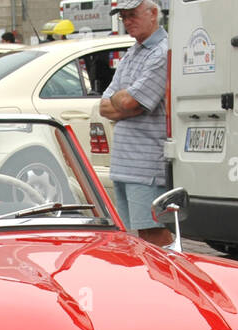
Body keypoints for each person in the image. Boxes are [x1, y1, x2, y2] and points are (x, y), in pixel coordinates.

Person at [99, 0, 172, 246]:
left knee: (153, 234)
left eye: (132, 15)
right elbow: (104, 105)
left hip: (146, 166)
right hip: (127, 164)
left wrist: (126, 101)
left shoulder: (162, 51)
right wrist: (127, 102)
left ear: (153, 14)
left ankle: (167, 281)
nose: (127, 21)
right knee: (137, 237)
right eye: (123, 17)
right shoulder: (134, 52)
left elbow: (129, 101)